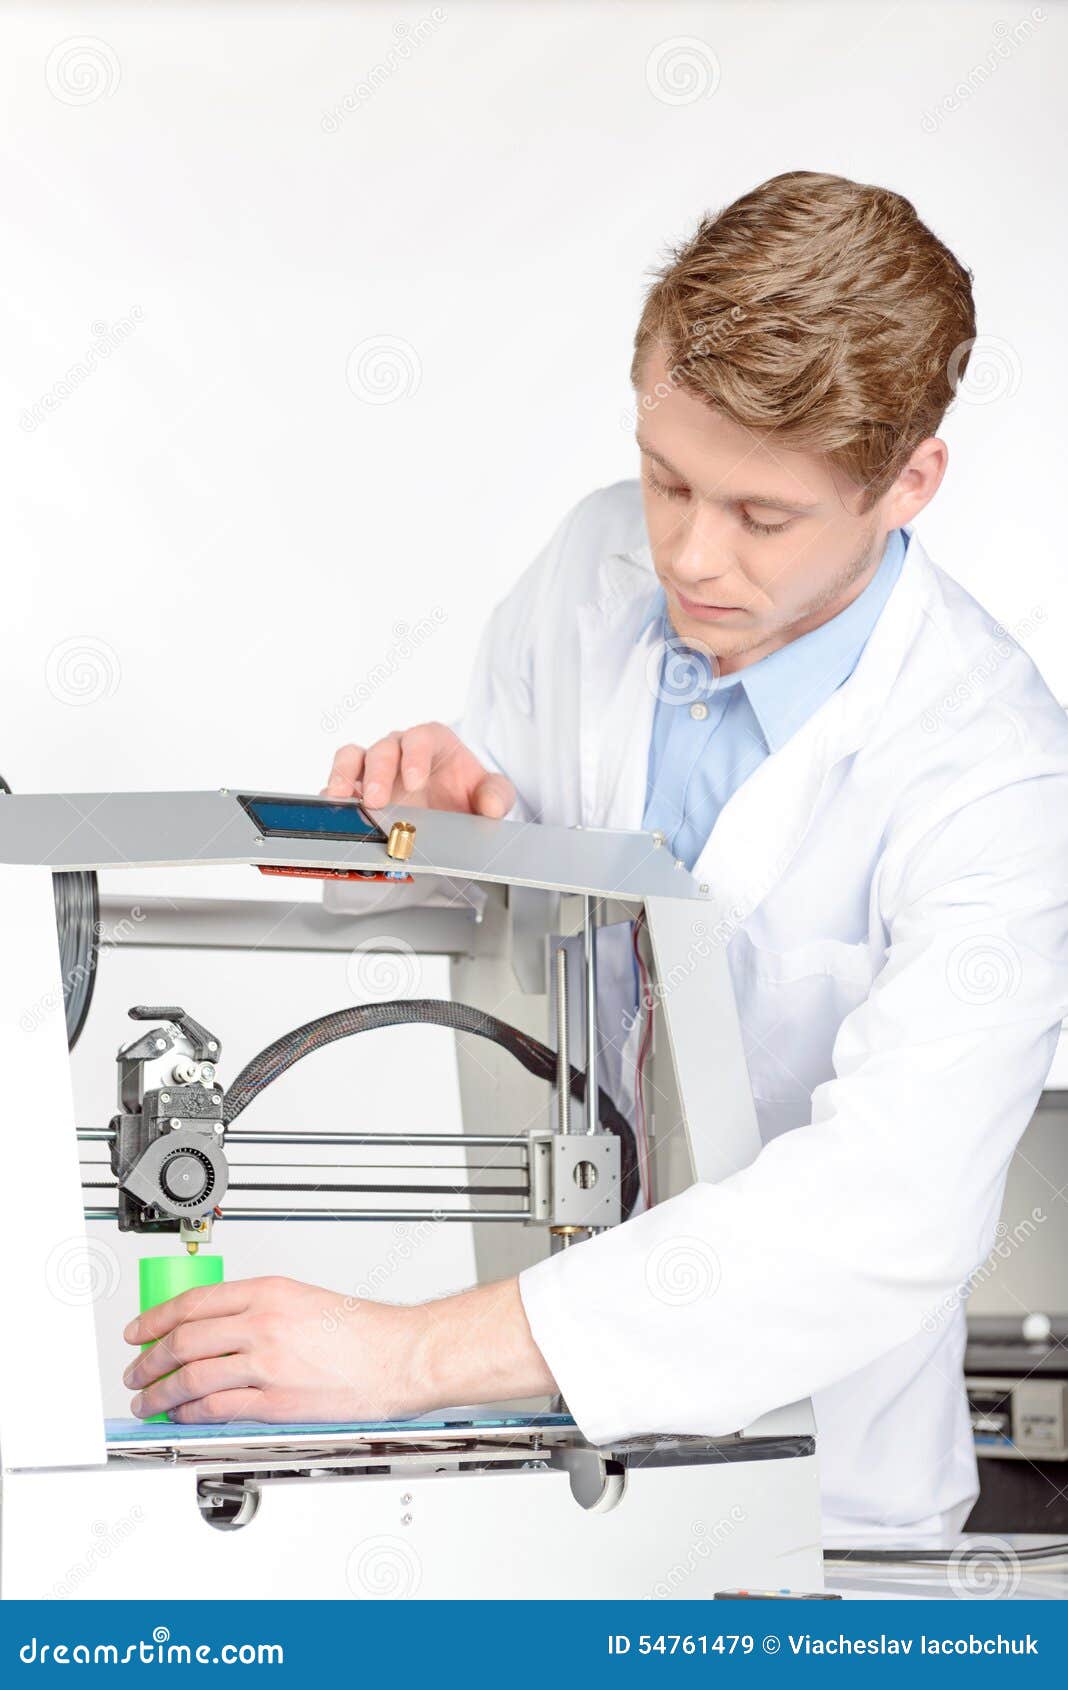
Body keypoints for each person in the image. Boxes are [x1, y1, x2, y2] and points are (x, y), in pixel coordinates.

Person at [124, 171, 1068, 1542]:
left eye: (761, 515)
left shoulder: (994, 770)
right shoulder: (593, 570)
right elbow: (498, 896)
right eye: (666, 475)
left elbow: (887, 1209)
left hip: (830, 1504)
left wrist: (401, 1358)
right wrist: (439, 828)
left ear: (909, 481)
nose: (689, 551)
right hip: (543, 1468)